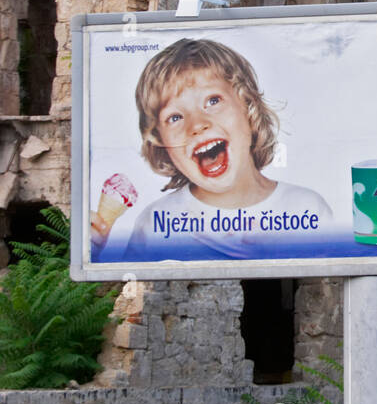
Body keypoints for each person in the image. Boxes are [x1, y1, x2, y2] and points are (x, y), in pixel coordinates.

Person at [90, 38, 331, 261]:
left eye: (213, 101)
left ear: (248, 106)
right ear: (160, 142)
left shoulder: (306, 208)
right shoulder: (155, 225)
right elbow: (126, 297)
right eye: (174, 117)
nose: (197, 125)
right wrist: (96, 254)